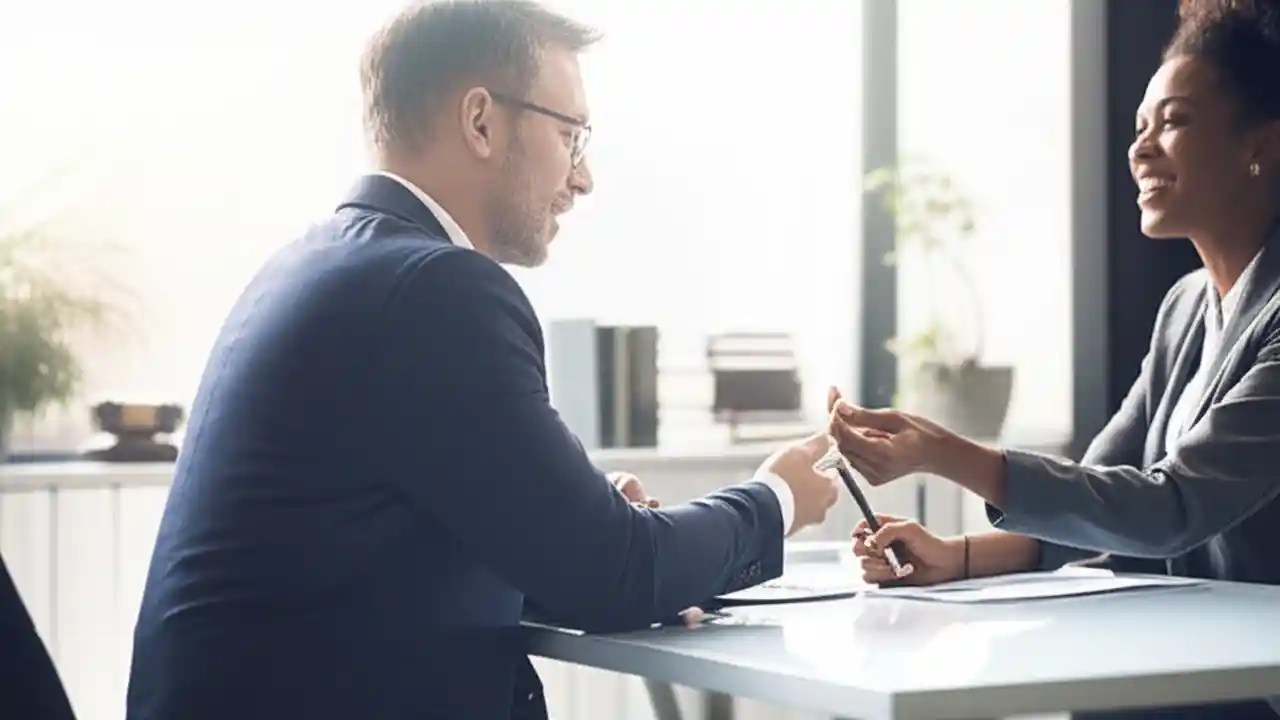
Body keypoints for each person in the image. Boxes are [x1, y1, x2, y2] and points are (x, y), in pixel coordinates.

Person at [124, 2, 841, 719]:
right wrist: (775, 501)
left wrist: (569, 521)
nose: (582, 177)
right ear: (481, 122)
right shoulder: (436, 291)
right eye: (571, 135)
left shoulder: (317, 264)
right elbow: (613, 572)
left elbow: (406, 553)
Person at [832, 1, 1280, 718]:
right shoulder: (1186, 309)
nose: (1140, 150)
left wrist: (947, 452)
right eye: (1140, 128)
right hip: (1196, 665)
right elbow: (1105, 493)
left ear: (1262, 144)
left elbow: (1170, 507)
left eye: (1174, 121)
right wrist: (960, 556)